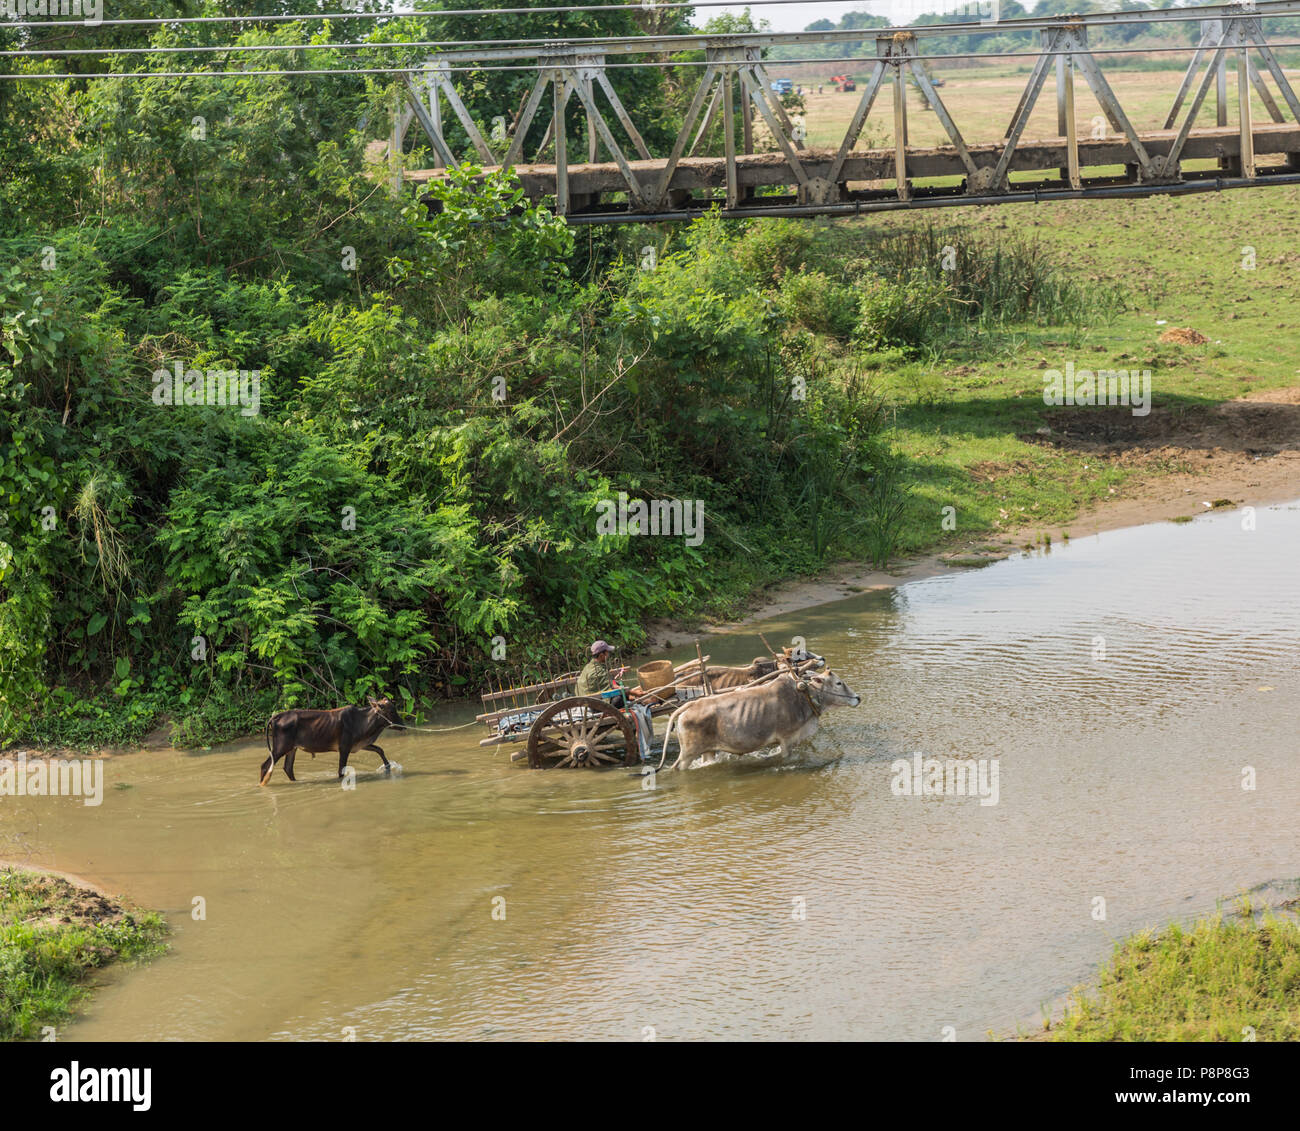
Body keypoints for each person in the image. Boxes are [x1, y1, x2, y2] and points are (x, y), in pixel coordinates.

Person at [575, 640, 646, 703]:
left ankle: (629, 697)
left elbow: (611, 682)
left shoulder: (589, 666)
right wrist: (635, 693)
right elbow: (615, 687)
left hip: (586, 698)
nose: (608, 655)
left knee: (617, 683)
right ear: (601, 655)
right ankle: (630, 697)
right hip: (591, 703)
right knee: (618, 698)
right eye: (607, 653)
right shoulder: (598, 671)